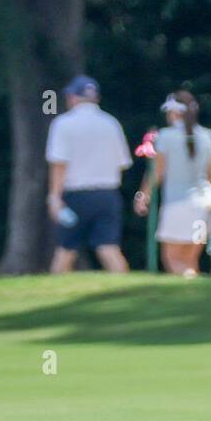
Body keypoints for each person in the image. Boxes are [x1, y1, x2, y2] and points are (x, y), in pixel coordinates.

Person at [45, 75, 133, 273]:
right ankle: (124, 288)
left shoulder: (63, 124)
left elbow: (59, 163)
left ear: (72, 97)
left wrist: (54, 197)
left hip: (76, 195)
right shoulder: (111, 123)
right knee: (108, 247)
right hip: (107, 194)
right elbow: (122, 162)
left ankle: (55, 293)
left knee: (66, 249)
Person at [134, 91, 211, 277]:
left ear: (173, 113)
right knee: (190, 261)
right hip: (205, 205)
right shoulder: (207, 136)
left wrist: (143, 195)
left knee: (174, 259)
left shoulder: (166, 137)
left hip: (177, 206)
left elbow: (157, 173)